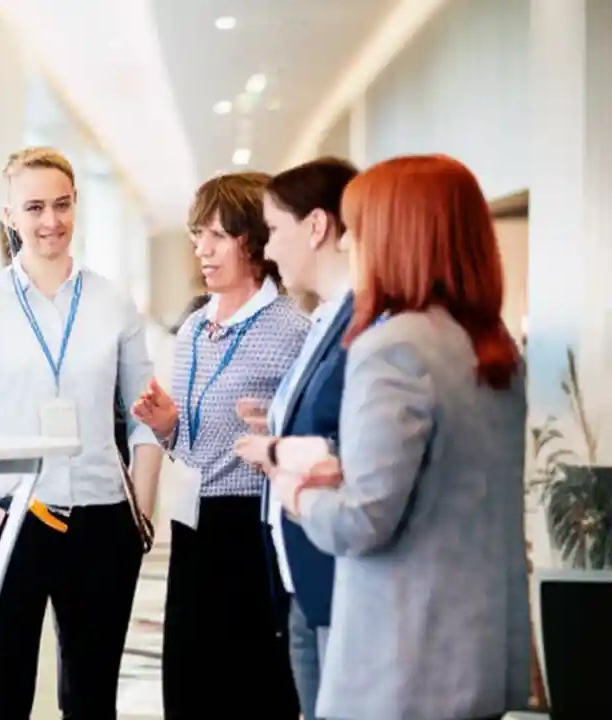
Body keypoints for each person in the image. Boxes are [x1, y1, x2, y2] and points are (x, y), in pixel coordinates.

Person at [268, 154, 530, 720]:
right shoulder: (493, 344)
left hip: (404, 670)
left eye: (357, 231)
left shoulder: (395, 347)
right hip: (479, 655)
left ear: (397, 237)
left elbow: (361, 522)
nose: (346, 245)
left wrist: (292, 489)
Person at [0, 146, 164, 718]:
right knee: (0, 698)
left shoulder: (113, 302)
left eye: (61, 205)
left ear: (76, 205)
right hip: (9, 521)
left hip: (102, 519)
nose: (50, 221)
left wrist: (142, 513)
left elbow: (145, 416)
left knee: (91, 700)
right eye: (34, 207)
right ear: (10, 215)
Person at [132, 172, 306, 718]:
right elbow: (189, 438)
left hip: (252, 527)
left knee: (251, 685)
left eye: (217, 235)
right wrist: (166, 424)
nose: (201, 250)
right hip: (192, 521)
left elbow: (308, 438)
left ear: (253, 240)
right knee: (188, 682)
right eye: (196, 235)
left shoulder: (292, 331)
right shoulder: (192, 329)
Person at [230, 157, 359, 720]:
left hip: (334, 567)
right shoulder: (329, 316)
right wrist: (278, 422)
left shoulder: (363, 323)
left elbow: (356, 442)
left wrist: (278, 451)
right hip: (303, 572)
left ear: (316, 227)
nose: (271, 248)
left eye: (276, 230)